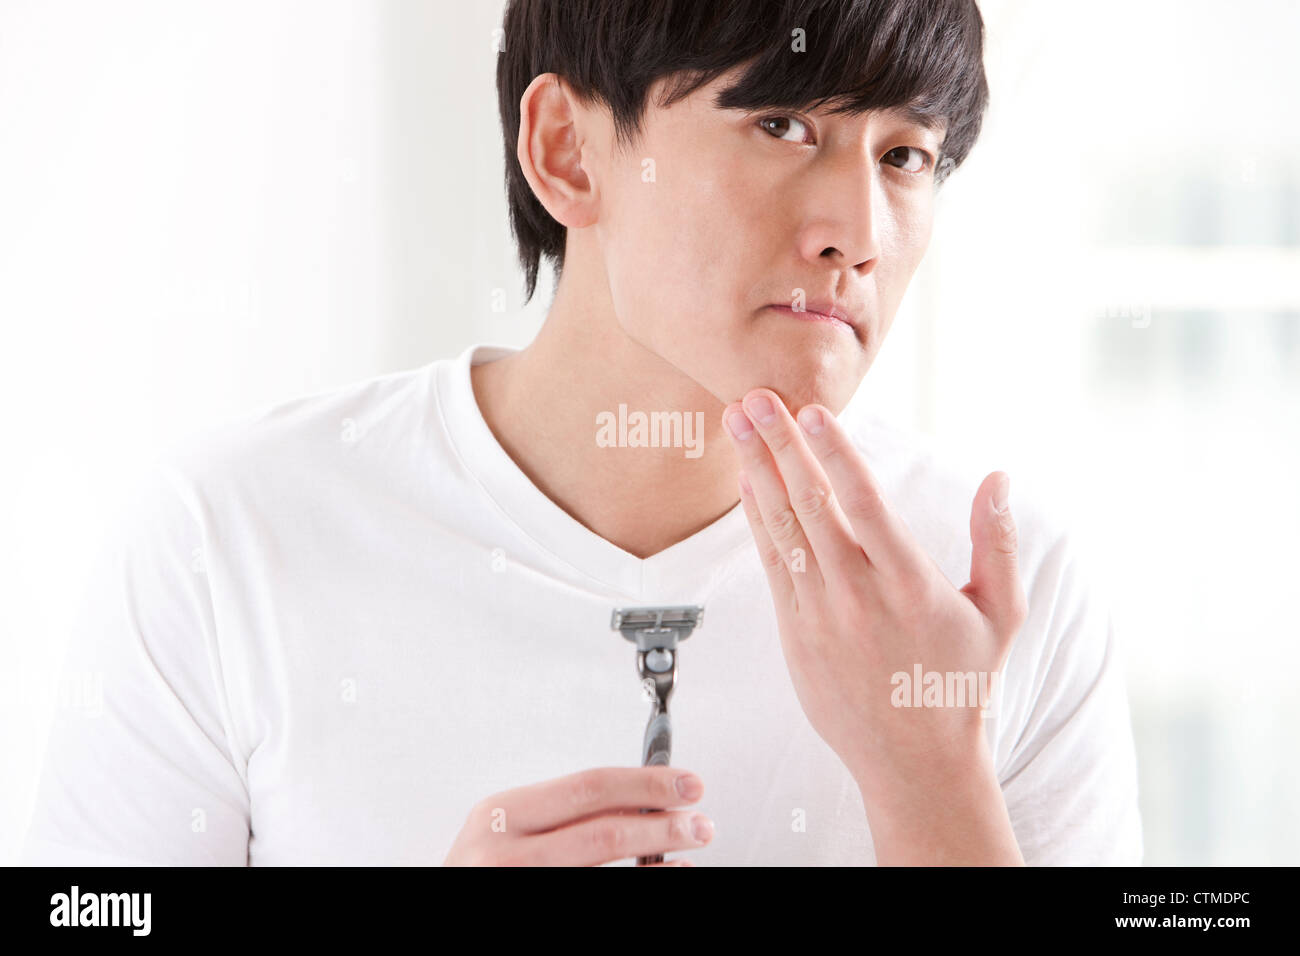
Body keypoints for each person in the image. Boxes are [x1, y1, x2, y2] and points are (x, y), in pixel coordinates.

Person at [20, 0, 1142, 866]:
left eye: (904, 155)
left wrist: (932, 785)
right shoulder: (228, 542)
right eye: (783, 123)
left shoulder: (998, 587)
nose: (857, 231)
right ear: (566, 149)